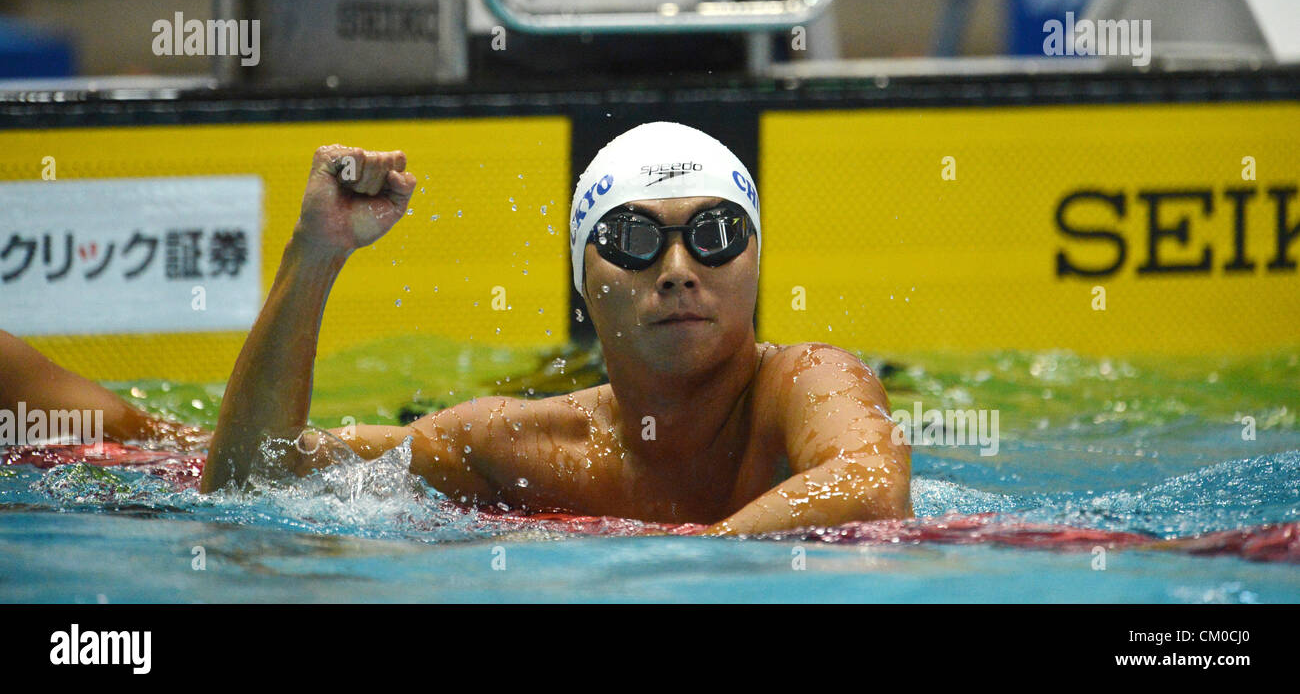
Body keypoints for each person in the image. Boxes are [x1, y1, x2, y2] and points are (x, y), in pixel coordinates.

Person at [1, 122, 910, 535]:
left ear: (755, 259)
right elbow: (247, 479)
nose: (678, 268)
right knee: (133, 450)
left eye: (714, 234)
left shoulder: (808, 380)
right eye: (634, 239)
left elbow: (869, 485)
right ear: (586, 287)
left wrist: (702, 562)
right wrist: (314, 256)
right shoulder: (521, 444)